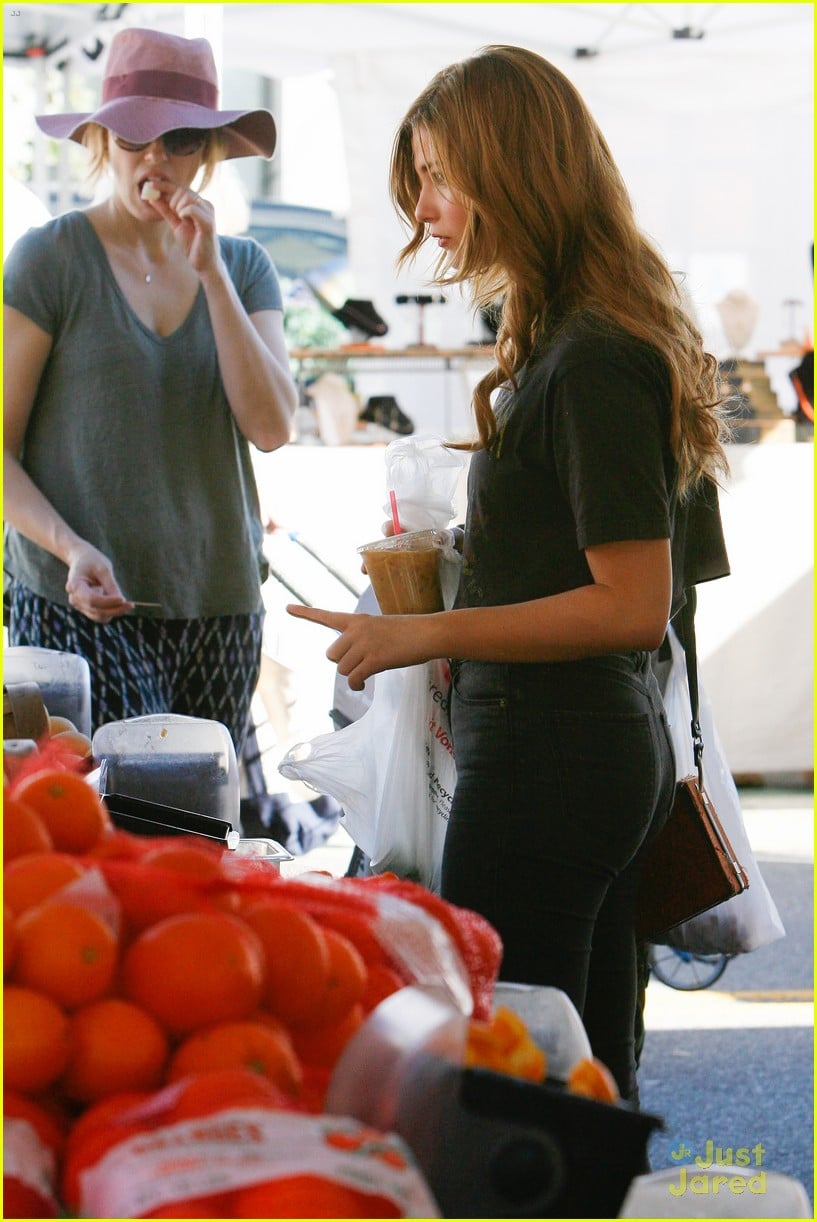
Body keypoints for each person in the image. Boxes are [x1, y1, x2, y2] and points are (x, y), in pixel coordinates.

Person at [289, 45, 731, 1103]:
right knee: (578, 1079)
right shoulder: (583, 335)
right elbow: (645, 578)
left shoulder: (591, 355)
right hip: (576, 749)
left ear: (516, 171)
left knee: (512, 1087)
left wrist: (423, 633)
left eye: (441, 177)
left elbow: (630, 603)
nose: (428, 209)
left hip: (556, 756)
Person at [4, 27, 298, 753]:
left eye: (183, 142)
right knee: (116, 822)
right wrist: (69, 549)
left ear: (212, 152)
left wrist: (212, 276)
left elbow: (272, 426)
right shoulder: (53, 257)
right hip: (81, 601)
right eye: (137, 139)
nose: (157, 161)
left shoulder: (242, 266)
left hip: (221, 601)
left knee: (198, 835)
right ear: (102, 140)